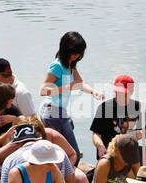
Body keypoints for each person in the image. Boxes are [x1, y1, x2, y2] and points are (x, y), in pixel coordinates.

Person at [39, 31, 102, 162]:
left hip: (61, 111)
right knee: (73, 154)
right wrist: (67, 88)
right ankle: (65, 180)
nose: (77, 56)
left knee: (66, 153)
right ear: (66, 50)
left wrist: (93, 92)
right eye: (75, 53)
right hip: (52, 112)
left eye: (80, 53)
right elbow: (43, 90)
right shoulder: (57, 66)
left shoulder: (71, 66)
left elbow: (79, 83)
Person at [89, 74, 146, 160]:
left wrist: (142, 133)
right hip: (110, 151)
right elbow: (96, 134)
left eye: (124, 92)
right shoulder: (104, 107)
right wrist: (100, 146)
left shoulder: (138, 106)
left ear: (131, 91)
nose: (120, 94)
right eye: (118, 91)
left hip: (131, 149)